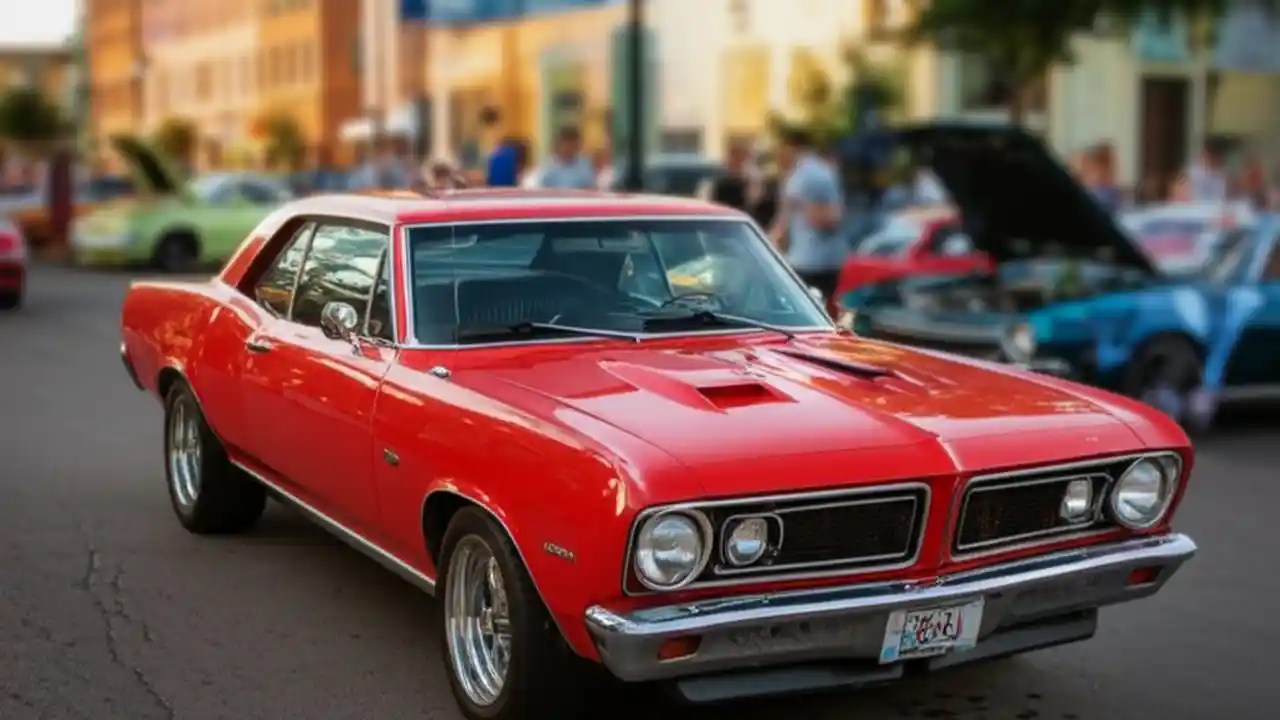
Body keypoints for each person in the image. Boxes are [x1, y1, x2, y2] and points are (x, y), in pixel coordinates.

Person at [768, 128, 846, 300]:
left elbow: (832, 217)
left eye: (778, 148)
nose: (776, 155)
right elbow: (785, 220)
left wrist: (802, 207)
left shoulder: (809, 176)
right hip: (812, 261)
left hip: (811, 263)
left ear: (790, 147)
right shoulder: (799, 174)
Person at [698, 139, 776, 228]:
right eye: (734, 157)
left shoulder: (757, 184)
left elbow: (758, 210)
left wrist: (754, 185)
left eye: (742, 158)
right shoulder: (716, 185)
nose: (737, 162)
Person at [527, 127, 596, 190]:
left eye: (573, 144)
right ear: (557, 144)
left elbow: (591, 188)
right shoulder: (545, 167)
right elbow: (536, 188)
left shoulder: (585, 165)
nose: (568, 148)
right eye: (566, 143)